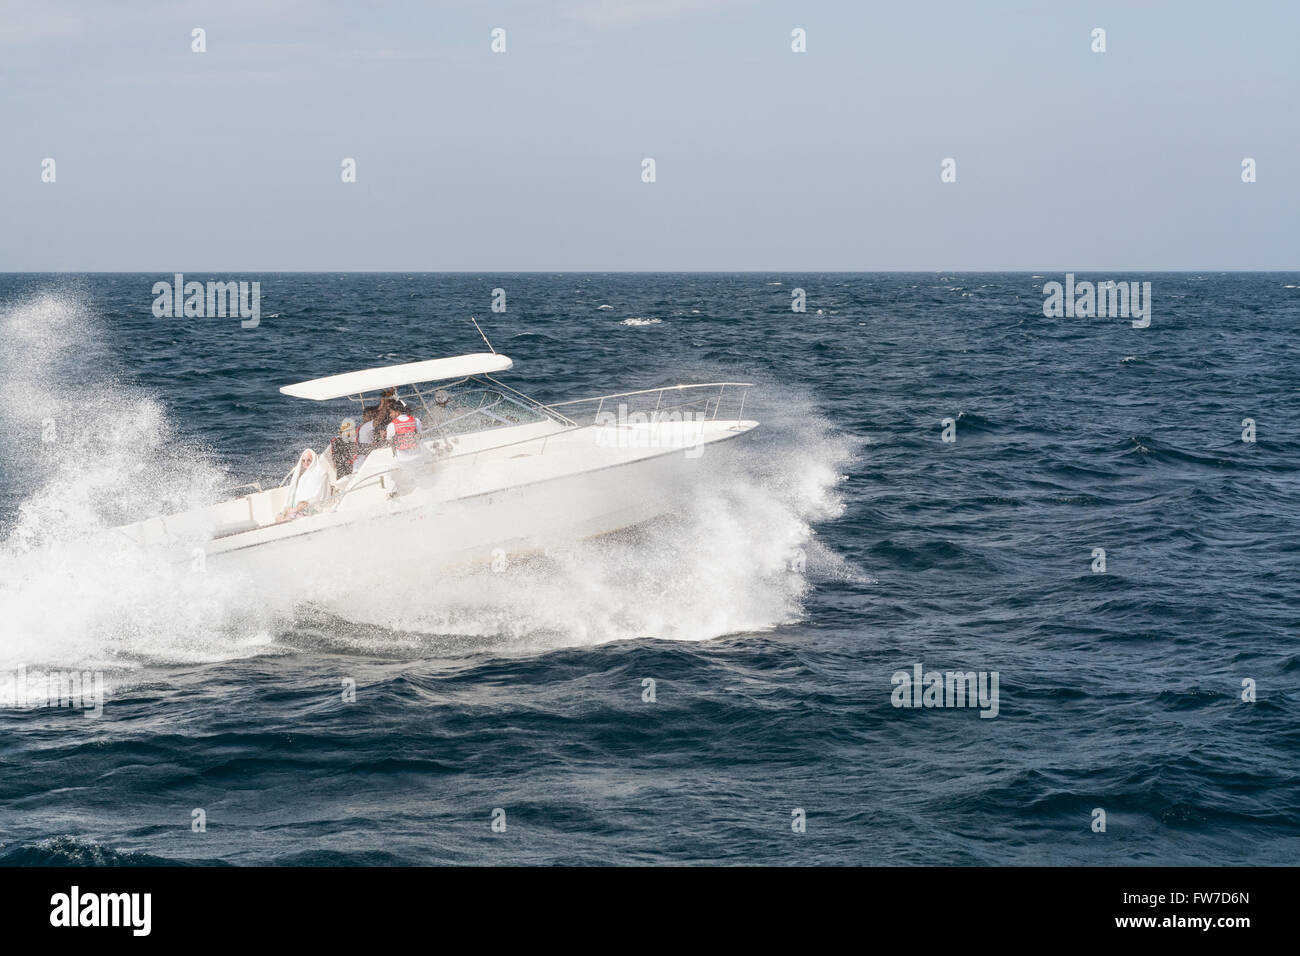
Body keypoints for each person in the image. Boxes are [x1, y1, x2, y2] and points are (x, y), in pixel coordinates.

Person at [277, 448, 329, 521]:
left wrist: (299, 507)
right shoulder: (303, 477)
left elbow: (318, 497)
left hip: (312, 509)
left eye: (308, 460)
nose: (306, 463)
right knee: (278, 517)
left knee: (287, 519)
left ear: (313, 460)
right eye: (303, 461)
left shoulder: (321, 474)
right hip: (298, 509)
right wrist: (292, 509)